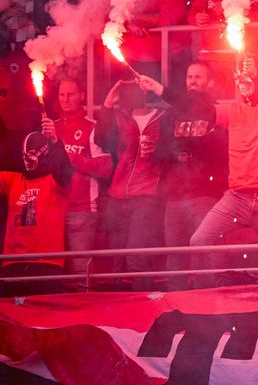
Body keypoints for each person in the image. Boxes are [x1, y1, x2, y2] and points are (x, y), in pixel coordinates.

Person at [187, 55, 258, 287]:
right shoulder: (232, 110)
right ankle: (218, 290)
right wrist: (161, 90)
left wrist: (256, 76)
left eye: (248, 78)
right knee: (200, 240)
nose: (243, 81)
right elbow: (198, 107)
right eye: (239, 77)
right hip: (238, 197)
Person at [138, 62, 227, 290]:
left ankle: (208, 309)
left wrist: (160, 89)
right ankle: (177, 308)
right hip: (175, 197)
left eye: (198, 76)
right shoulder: (171, 115)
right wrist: (155, 152)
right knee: (175, 258)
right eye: (189, 77)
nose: (193, 81)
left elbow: (220, 152)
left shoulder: (214, 111)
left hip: (204, 195)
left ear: (210, 82)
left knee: (203, 256)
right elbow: (164, 152)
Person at [94, 79, 171, 288]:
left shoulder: (162, 117)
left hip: (147, 196)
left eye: (136, 87)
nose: (132, 93)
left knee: (137, 258)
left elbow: (171, 150)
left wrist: (158, 150)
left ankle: (141, 309)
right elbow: (101, 140)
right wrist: (108, 104)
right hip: (117, 195)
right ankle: (117, 312)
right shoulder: (119, 118)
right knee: (117, 260)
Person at [0, 123, 73, 293]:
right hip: (14, 263)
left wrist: (55, 141)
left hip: (47, 263)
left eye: (32, 156)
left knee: (45, 315)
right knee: (14, 313)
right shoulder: (13, 180)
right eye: (25, 156)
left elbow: (65, 172)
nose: (27, 161)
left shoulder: (56, 182)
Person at [52, 79, 112, 280]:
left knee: (81, 273)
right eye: (62, 95)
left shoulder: (93, 127)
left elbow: (105, 168)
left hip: (82, 209)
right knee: (55, 272)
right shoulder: (51, 129)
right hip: (52, 209)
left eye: (71, 94)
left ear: (82, 96)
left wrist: (70, 157)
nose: (66, 99)